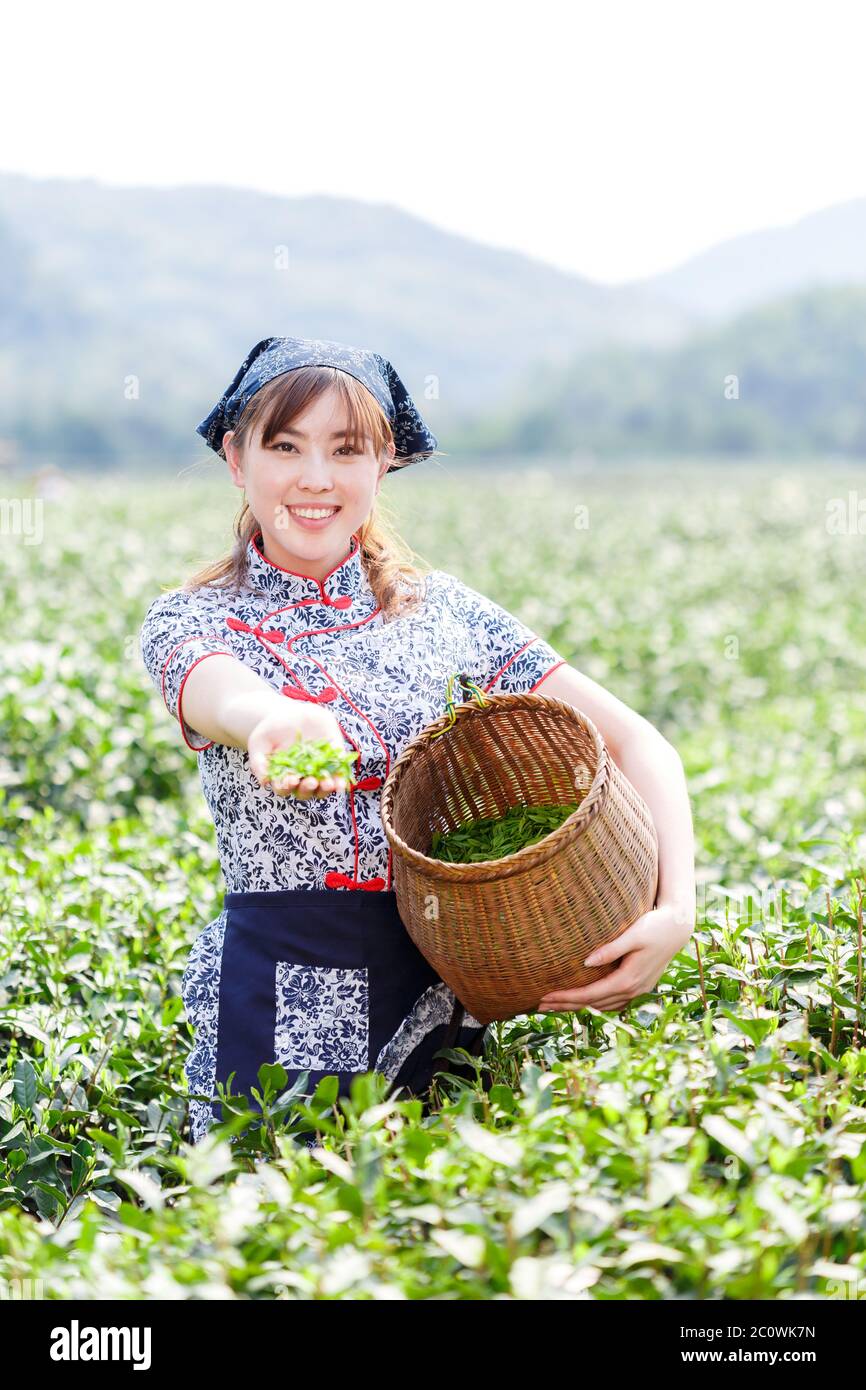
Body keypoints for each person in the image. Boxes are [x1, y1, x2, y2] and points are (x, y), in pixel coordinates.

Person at [140, 335, 696, 1147]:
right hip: (282, 1007)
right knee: (280, 1212)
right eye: (285, 446)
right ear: (236, 457)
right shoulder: (193, 618)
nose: (316, 478)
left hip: (452, 994)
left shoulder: (444, 613)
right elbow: (216, 690)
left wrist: (675, 910)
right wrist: (271, 719)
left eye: (346, 449)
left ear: (384, 460)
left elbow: (641, 746)